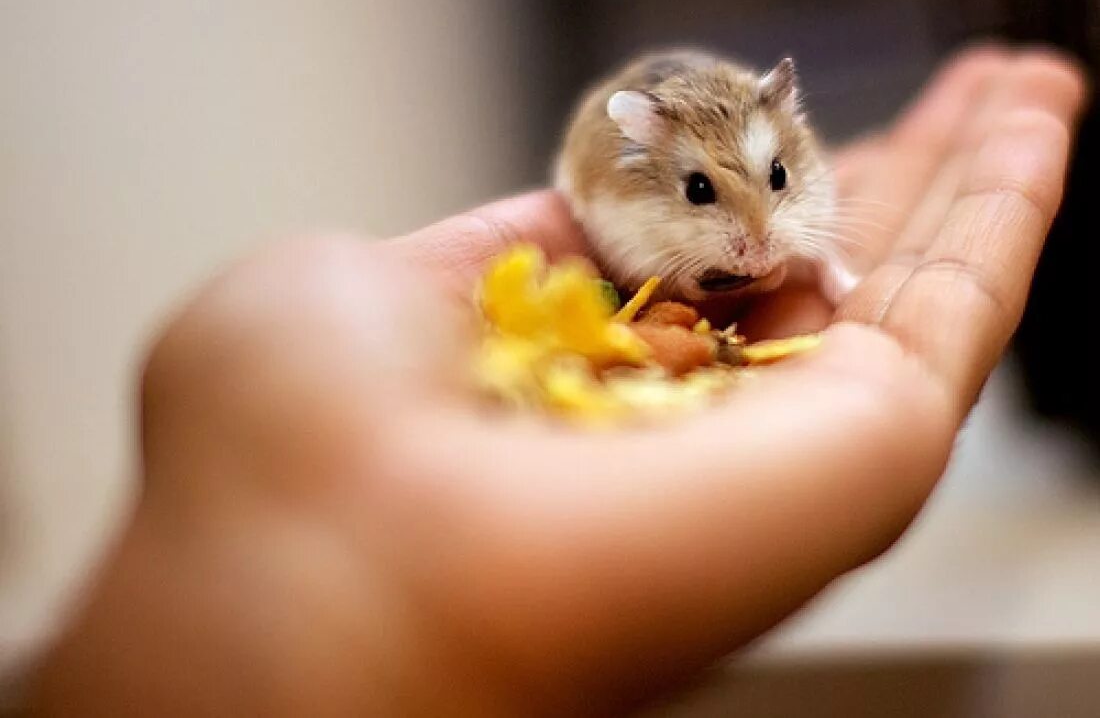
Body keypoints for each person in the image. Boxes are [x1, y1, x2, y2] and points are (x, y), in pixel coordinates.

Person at [28, 45, 1087, 716]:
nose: (756, 234)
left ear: (789, 142)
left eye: (771, 184)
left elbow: (790, 231)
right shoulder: (615, 185)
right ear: (650, 172)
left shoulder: (790, 182)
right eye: (706, 195)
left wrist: (815, 256)